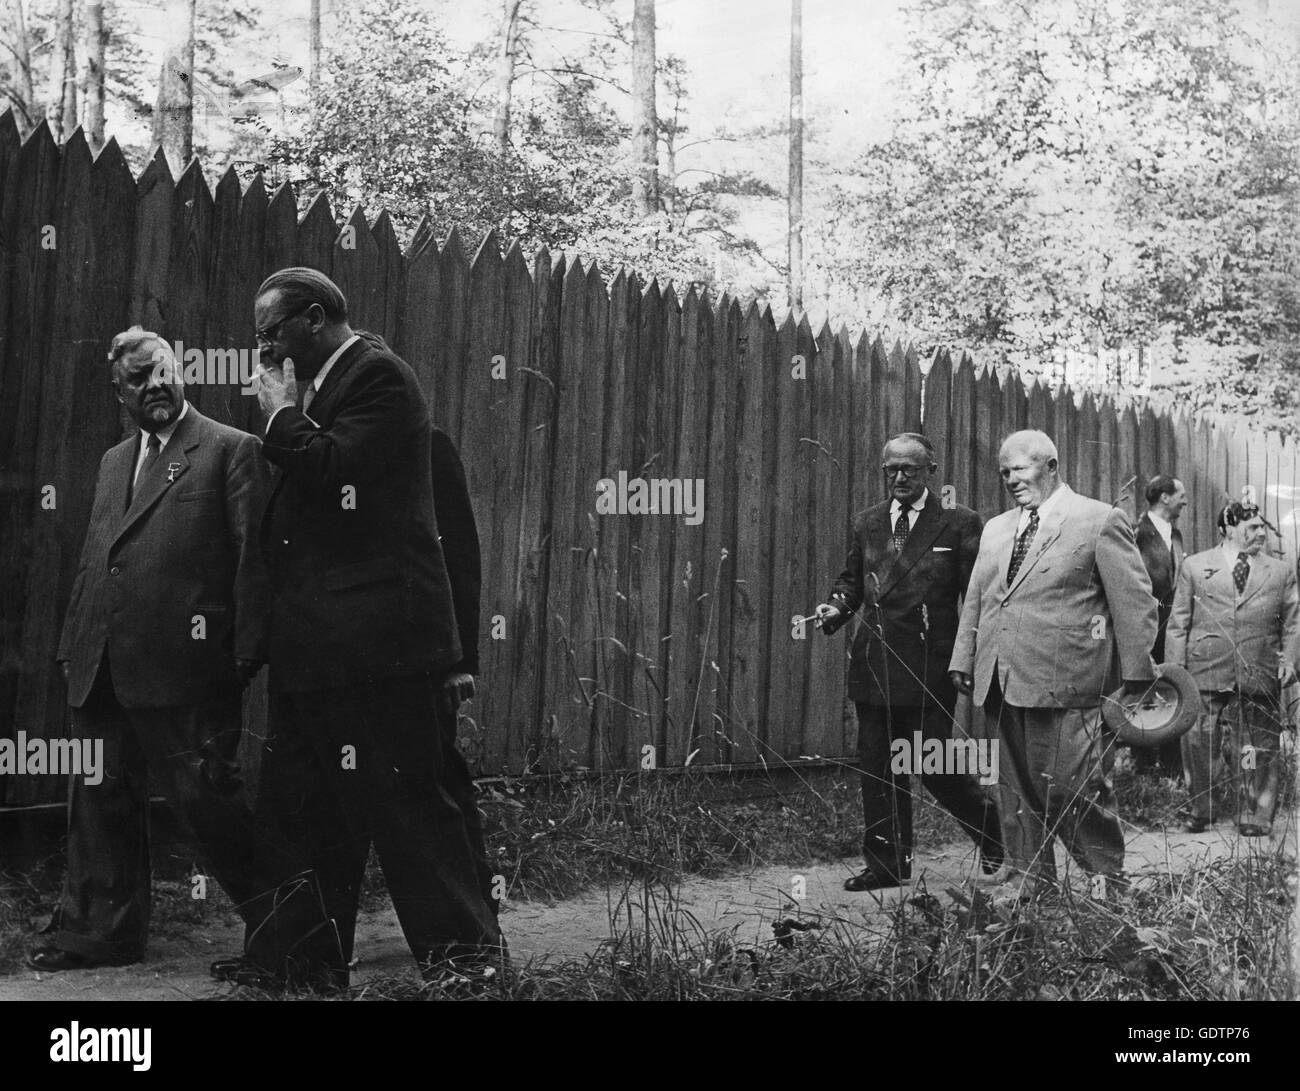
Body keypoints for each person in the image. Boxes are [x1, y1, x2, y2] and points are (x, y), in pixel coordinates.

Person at [29, 328, 333, 980]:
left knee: (213, 808)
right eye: (140, 378)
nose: (157, 384)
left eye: (165, 370)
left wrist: (244, 655)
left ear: (181, 370)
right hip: (100, 663)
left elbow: (254, 560)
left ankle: (301, 942)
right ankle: (102, 935)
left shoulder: (230, 449)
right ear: (120, 392)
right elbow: (100, 556)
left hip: (187, 670)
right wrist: (74, 644)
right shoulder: (114, 461)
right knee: (100, 801)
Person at [236, 269, 502, 985]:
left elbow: (335, 473)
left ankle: (468, 968)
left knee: (413, 810)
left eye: (270, 333)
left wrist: (281, 416)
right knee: (302, 811)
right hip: (317, 649)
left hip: (382, 650)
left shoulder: (380, 378)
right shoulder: (322, 390)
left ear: (315, 318)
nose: (262, 350)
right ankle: (296, 966)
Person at [949, 430, 1157, 899]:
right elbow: (981, 599)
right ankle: (1029, 879)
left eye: (1019, 469)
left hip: (1069, 679)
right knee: (1014, 789)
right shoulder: (997, 528)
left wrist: (1140, 677)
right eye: (1003, 472)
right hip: (1000, 677)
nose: (1010, 480)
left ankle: (1107, 879)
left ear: (1051, 465)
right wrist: (964, 655)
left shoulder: (1098, 519)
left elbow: (1135, 603)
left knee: (1071, 787)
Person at [815, 433, 1002, 891]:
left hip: (928, 664)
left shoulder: (958, 523)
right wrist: (836, 608)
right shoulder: (868, 522)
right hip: (875, 660)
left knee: (932, 762)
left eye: (910, 470)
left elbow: (974, 598)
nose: (899, 477)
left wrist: (968, 657)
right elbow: (852, 582)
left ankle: (994, 833)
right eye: (891, 469)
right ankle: (887, 864)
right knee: (877, 764)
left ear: (930, 473)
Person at [1164, 501, 1299, 836]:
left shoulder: (1280, 571)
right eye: (1251, 527)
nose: (1260, 533)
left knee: (1255, 745)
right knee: (1198, 740)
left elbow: (1294, 624)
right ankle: (1202, 809)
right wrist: (1174, 673)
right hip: (1204, 668)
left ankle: (1253, 814)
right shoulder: (1195, 567)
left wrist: (1291, 661)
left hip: (1259, 668)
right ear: (1226, 530)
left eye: (1262, 527)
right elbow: (1178, 622)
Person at [1133, 474, 1187, 776]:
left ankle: (1171, 768)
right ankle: (1142, 766)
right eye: (1181, 495)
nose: (1186, 501)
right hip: (1146, 628)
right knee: (1142, 691)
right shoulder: (1137, 532)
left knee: (1174, 690)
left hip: (1173, 629)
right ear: (1165, 497)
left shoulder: (1176, 535)